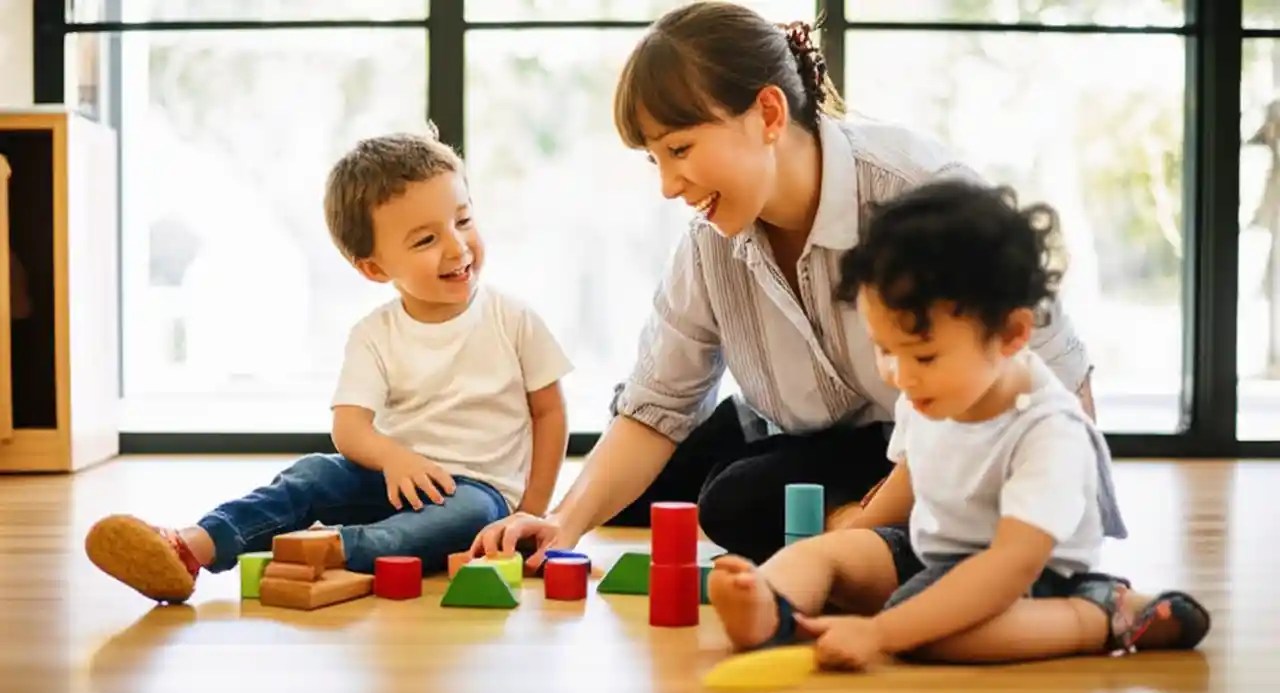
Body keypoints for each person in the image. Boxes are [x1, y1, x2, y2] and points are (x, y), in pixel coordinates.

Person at [471, 0, 1095, 567]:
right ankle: (831, 503)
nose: (668, 185)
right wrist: (561, 522)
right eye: (653, 159)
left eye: (680, 148)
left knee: (733, 499)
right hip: (826, 439)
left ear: (768, 113)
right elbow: (655, 405)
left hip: (956, 433)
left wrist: (1053, 508)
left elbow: (1057, 376)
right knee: (690, 487)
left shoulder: (916, 192)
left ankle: (876, 528)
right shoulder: (710, 242)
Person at [705, 180, 1210, 668]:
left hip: (1027, 579)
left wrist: (882, 632)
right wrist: (848, 542)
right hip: (934, 552)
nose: (899, 374)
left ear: (1011, 334)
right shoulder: (931, 390)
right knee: (829, 554)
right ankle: (772, 609)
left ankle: (1099, 614)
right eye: (885, 350)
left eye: (922, 355)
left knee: (934, 637)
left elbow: (1010, 564)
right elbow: (911, 475)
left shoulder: (1050, 431)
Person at [84, 128, 573, 603]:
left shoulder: (514, 319)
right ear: (375, 268)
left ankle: (326, 549)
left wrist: (529, 512)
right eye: (425, 241)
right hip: (392, 482)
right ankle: (192, 546)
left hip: (479, 493)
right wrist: (395, 459)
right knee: (314, 473)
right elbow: (350, 429)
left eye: (463, 221)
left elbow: (548, 413)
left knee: (457, 517)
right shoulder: (373, 334)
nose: (456, 247)